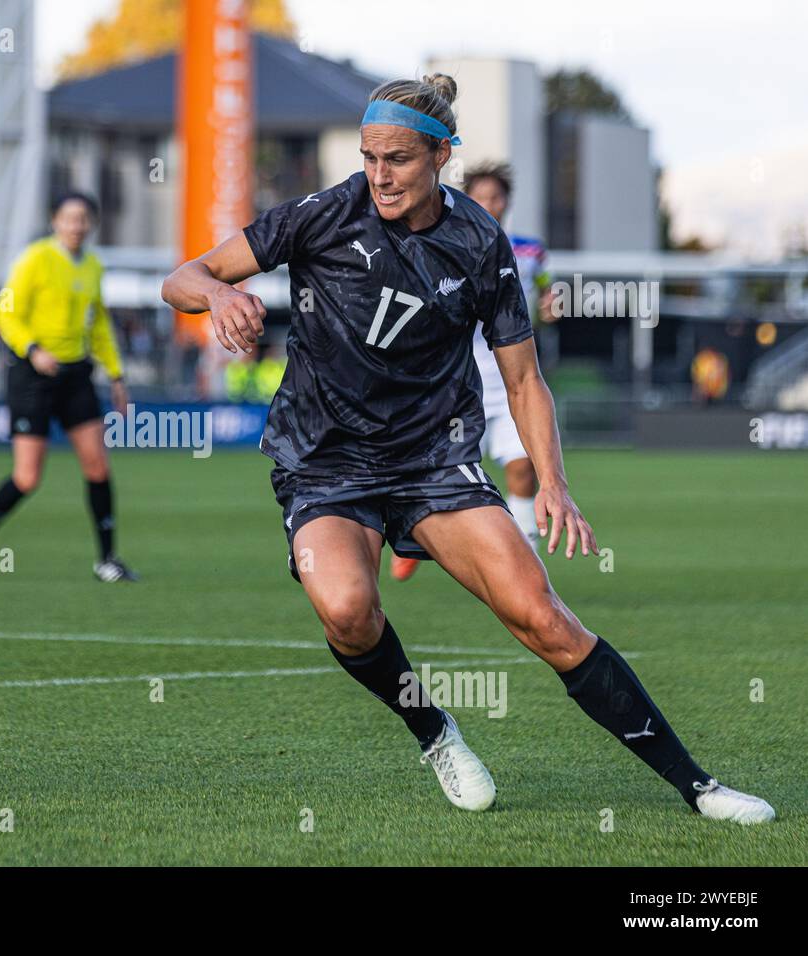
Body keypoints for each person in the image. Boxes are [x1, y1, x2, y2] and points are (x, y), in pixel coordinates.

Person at [160, 75, 773, 823]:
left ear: (440, 156)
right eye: (369, 156)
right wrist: (221, 296)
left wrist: (553, 481)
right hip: (324, 462)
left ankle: (699, 788)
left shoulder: (480, 242)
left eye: (398, 159)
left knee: (543, 617)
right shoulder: (323, 213)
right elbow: (183, 277)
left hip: (432, 462)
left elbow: (523, 377)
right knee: (348, 609)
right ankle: (435, 732)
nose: (379, 175)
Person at [0, 192, 137, 583]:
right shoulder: (35, 259)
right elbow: (4, 310)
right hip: (32, 375)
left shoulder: (93, 265)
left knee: (97, 465)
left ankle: (107, 560)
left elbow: (100, 324)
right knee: (27, 477)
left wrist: (116, 374)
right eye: (69, 217)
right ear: (55, 221)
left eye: (83, 218)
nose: (77, 225)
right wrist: (33, 349)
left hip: (76, 373)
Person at [391, 161, 551, 581]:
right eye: (481, 197)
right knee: (442, 473)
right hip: (459, 381)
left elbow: (546, 293)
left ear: (506, 203)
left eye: (496, 197)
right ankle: (416, 530)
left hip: (511, 378)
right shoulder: (448, 244)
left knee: (521, 466)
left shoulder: (531, 250)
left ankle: (523, 568)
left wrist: (553, 306)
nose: (489, 204)